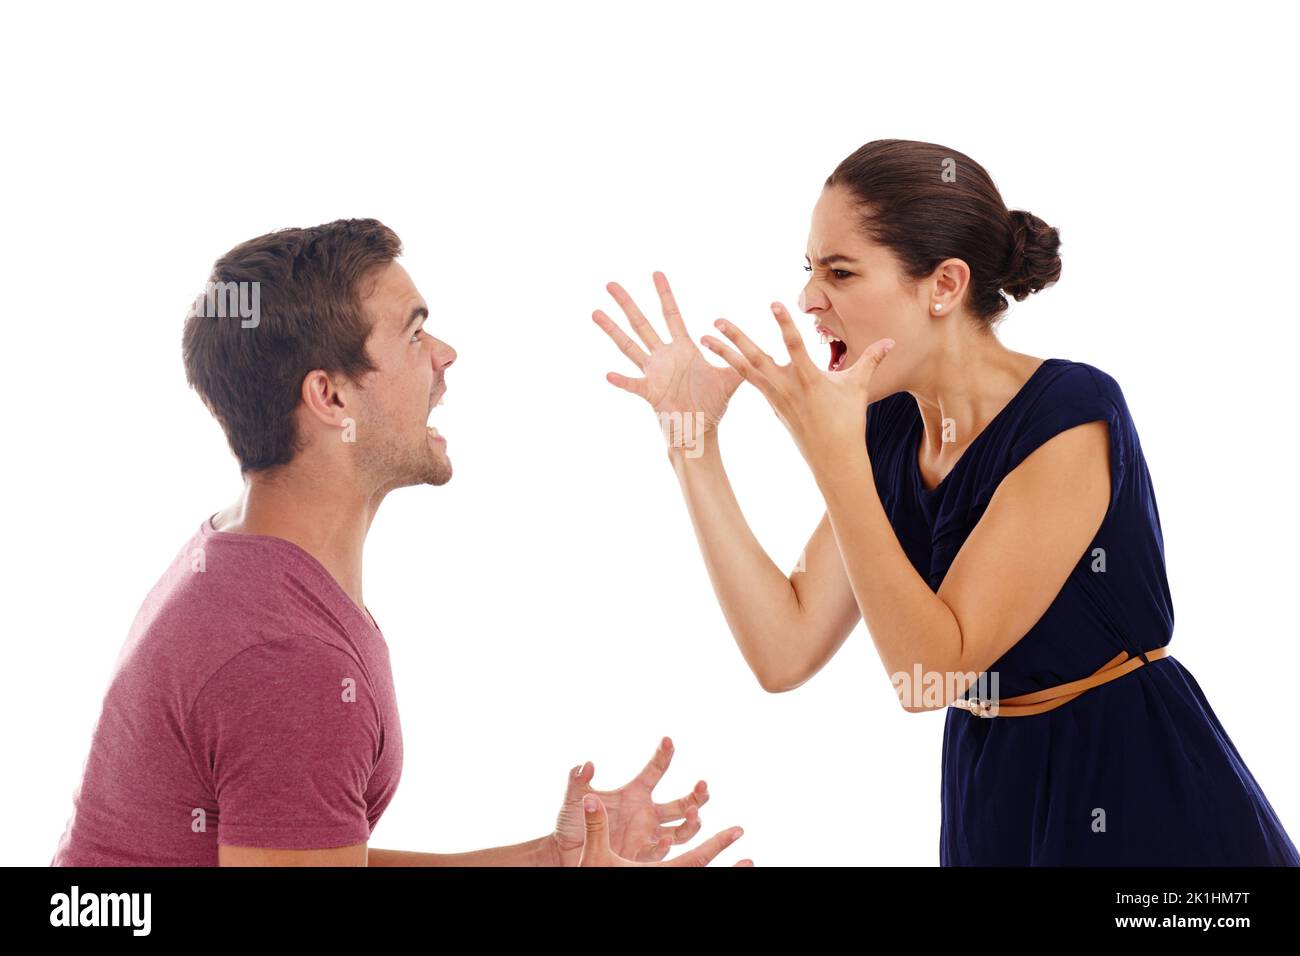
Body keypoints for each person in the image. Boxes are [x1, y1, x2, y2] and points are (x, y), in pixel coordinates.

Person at [592, 138, 1299, 865]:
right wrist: (693, 443)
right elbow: (784, 651)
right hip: (992, 784)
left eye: (840, 271)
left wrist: (834, 460)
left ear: (943, 285)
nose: (809, 299)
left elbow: (930, 672)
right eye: (810, 270)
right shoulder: (891, 428)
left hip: (1132, 784)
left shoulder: (1071, 412)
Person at [52, 219, 750, 867]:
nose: (446, 354)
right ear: (330, 399)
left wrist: (550, 860)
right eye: (415, 334)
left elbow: (304, 848)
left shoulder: (245, 557)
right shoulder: (289, 659)